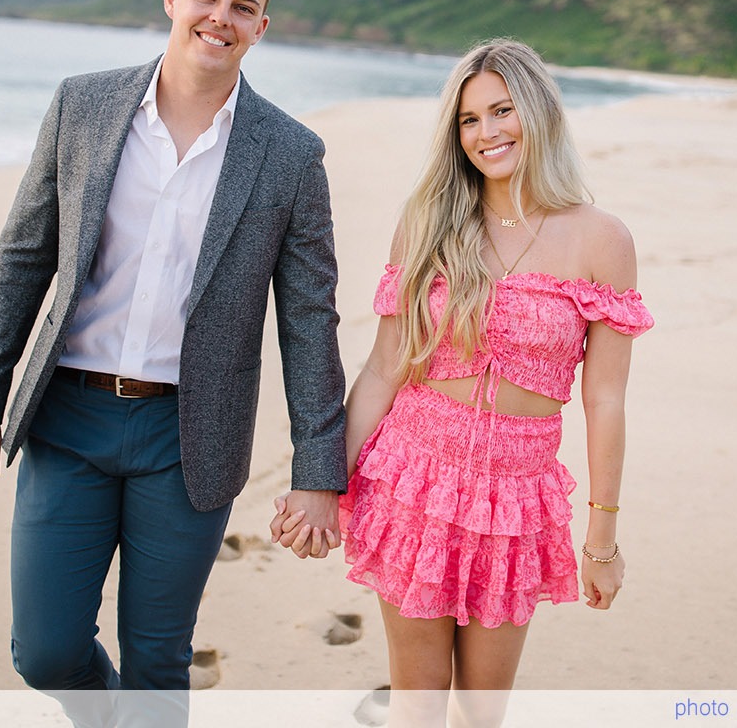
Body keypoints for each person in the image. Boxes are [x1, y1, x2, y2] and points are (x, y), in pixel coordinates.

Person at [0, 0, 347, 728]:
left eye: (243, 7)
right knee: (46, 652)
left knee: (159, 659)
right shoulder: (83, 106)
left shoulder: (290, 154)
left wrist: (318, 471)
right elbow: (23, 256)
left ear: (261, 27)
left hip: (189, 437)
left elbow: (309, 320)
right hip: (68, 418)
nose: (220, 17)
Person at [276, 38, 652, 727]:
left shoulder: (602, 240)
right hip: (414, 478)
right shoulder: (429, 221)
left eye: (502, 111)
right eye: (469, 120)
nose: (486, 133)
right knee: (419, 701)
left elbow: (605, 401)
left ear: (538, 112)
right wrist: (322, 481)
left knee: (482, 712)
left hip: (517, 500)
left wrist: (602, 541)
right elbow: (385, 367)